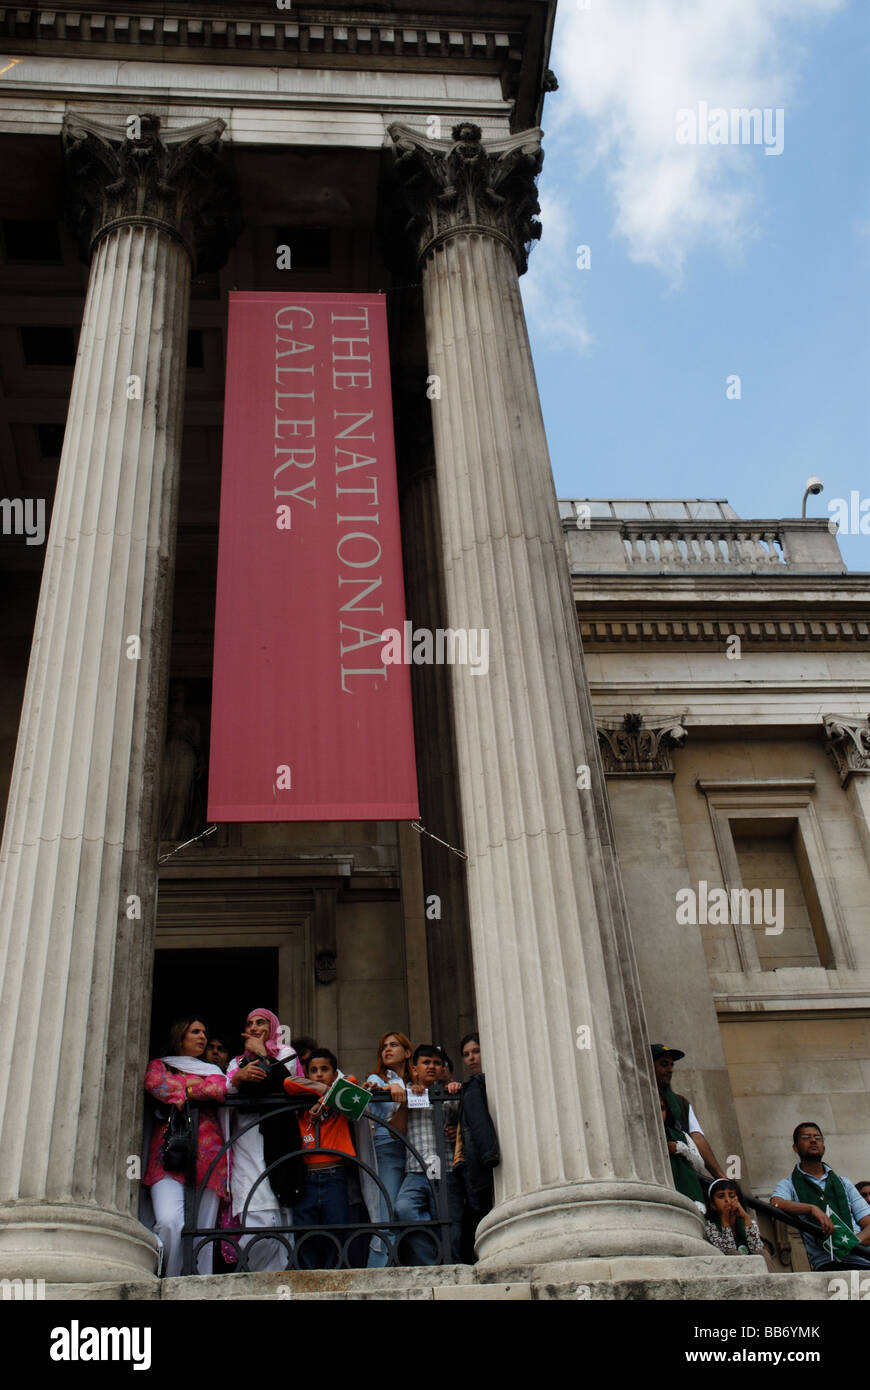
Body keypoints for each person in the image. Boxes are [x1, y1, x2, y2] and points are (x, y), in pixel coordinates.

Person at [143, 1016, 228, 1276]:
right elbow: (155, 1084)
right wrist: (190, 1086)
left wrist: (185, 1090)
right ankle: (168, 1279)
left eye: (204, 1032)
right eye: (195, 1032)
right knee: (170, 1222)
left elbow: (217, 1089)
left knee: (202, 1228)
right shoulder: (160, 1065)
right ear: (180, 1037)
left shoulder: (212, 1070)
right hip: (168, 1154)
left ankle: (198, 1284)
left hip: (209, 1156)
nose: (202, 1037)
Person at [226, 1008, 309, 1271]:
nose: (253, 1027)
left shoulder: (286, 1054)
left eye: (260, 1022)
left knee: (280, 1221)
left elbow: (288, 1087)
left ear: (272, 1027)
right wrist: (239, 1077)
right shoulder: (235, 1063)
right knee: (258, 1218)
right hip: (246, 1144)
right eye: (249, 1023)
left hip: (280, 1141)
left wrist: (263, 1054)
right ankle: (244, 1277)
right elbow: (228, 1091)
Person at [284, 1048, 355, 1268]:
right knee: (306, 1233)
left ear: (334, 1074)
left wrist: (326, 1099)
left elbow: (351, 1081)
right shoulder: (302, 1104)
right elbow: (288, 1084)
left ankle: (332, 1276)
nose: (319, 1073)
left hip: (335, 1175)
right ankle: (309, 1278)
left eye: (325, 1069)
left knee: (337, 1229)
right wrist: (322, 1091)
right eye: (313, 1070)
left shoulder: (341, 1097)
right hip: (306, 1177)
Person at [770, 1122, 870, 1271]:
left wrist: (852, 1242)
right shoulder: (789, 1184)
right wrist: (811, 1209)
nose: (813, 1140)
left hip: (861, 1260)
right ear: (795, 1148)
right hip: (826, 1263)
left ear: (823, 1146)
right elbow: (776, 1203)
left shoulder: (843, 1183)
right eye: (806, 1137)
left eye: (817, 1137)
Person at [393, 1045, 450, 1266]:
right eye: (426, 1063)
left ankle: (451, 1263)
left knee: (449, 1221)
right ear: (415, 1069)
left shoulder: (449, 1093)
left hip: (447, 1170)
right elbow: (395, 1131)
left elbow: (459, 1124)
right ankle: (430, 1263)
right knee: (404, 1208)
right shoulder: (406, 1092)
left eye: (437, 1063)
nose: (432, 1067)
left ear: (443, 1069)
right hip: (416, 1170)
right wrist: (405, 1105)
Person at [363, 1030, 413, 1268]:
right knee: (388, 1212)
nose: (387, 1050)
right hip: (389, 1148)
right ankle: (378, 1270)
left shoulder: (416, 1078)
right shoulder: (377, 1079)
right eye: (384, 1047)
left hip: (417, 1150)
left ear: (408, 1052)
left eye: (394, 1045)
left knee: (411, 1208)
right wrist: (384, 1088)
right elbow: (374, 1096)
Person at [450, 1033, 500, 1262]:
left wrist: (488, 1153)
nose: (471, 1058)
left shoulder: (474, 1086)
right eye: (466, 1054)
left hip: (483, 1161)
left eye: (476, 1051)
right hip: (470, 1161)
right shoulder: (468, 1087)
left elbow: (480, 1125)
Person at [651, 1043, 725, 1179]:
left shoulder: (681, 1103)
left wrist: (721, 1177)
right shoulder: (642, 1100)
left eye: (672, 1065)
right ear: (649, 1065)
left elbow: (697, 1138)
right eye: (664, 1064)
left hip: (686, 1173)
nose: (670, 1069)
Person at [703, 1178, 772, 1268]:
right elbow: (727, 1250)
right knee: (733, 1253)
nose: (727, 1200)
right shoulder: (711, 1227)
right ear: (713, 1205)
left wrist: (746, 1217)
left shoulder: (748, 1222)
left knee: (763, 1252)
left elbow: (756, 1248)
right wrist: (725, 1221)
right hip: (729, 1269)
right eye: (721, 1196)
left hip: (752, 1265)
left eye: (731, 1196)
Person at [660, 1095, 706, 1215]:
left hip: (690, 1196)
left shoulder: (681, 1135)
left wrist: (681, 1148)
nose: (659, 1113)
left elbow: (699, 1165)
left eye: (662, 1108)